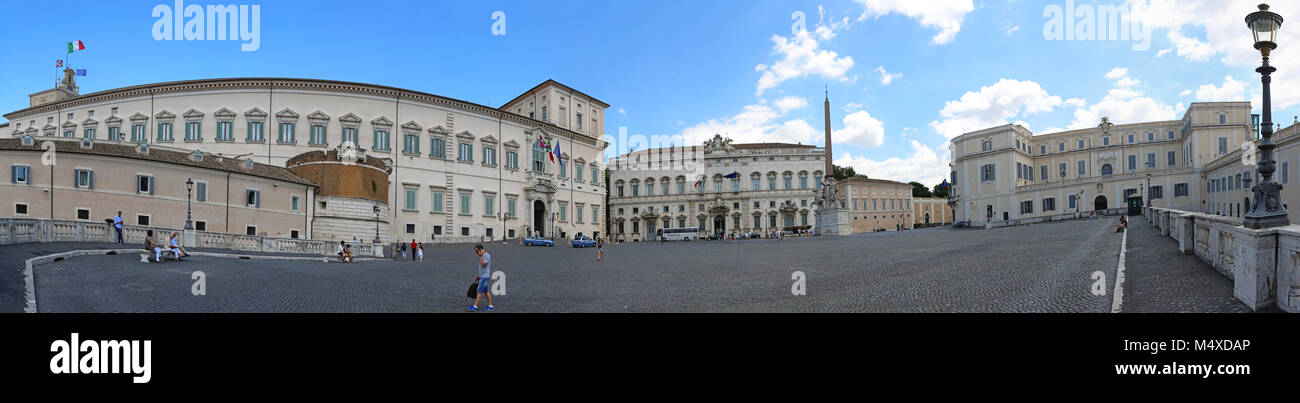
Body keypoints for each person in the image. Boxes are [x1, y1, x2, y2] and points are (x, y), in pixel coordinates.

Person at [468, 244, 494, 312]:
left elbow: (483, 265)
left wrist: (480, 257)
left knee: (479, 291)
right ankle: (490, 306)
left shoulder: (487, 255)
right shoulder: (483, 256)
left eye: (477, 251)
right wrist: (478, 276)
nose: (476, 253)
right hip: (482, 276)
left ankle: (475, 306)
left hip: (484, 277)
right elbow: (482, 268)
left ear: (481, 250)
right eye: (476, 252)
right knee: (486, 291)